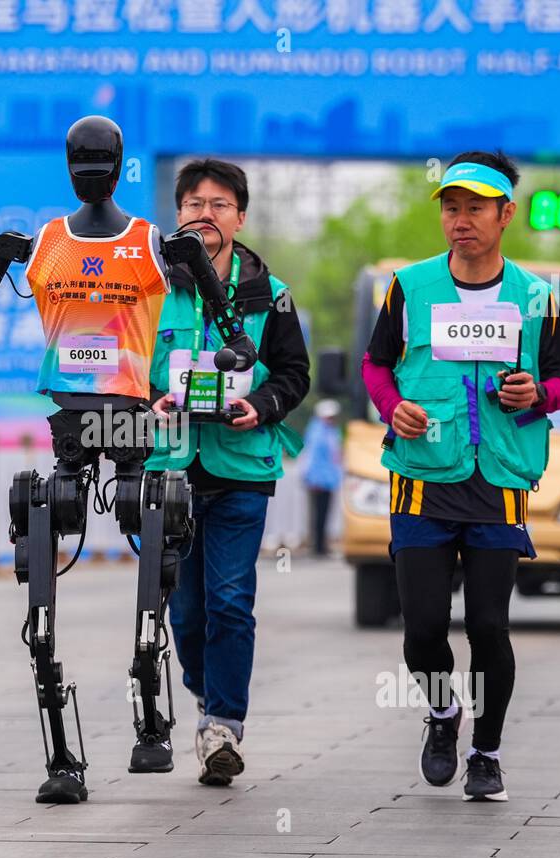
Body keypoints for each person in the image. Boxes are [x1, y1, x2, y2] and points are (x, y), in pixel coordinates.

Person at [360, 151, 560, 802]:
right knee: (423, 627)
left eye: (475, 208)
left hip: (499, 481)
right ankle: (443, 713)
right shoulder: (410, 286)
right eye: (451, 208)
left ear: (506, 214)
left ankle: (487, 751)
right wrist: (388, 405)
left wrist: (536, 394)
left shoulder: (537, 298)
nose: (461, 220)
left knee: (488, 625)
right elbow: (376, 365)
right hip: (423, 476)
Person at [147, 158, 310, 786]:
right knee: (185, 614)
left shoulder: (273, 295)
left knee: (231, 602)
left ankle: (223, 726)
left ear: (240, 217)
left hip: (242, 466)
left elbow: (295, 374)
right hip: (170, 468)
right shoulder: (152, 287)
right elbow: (128, 367)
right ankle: (205, 692)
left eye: (219, 205)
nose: (204, 215)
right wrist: (148, 403)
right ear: (178, 213)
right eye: (193, 205)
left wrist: (261, 405)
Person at [302, 398, 343, 557]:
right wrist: (312, 478)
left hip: (329, 480)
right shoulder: (317, 432)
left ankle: (321, 544)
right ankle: (317, 546)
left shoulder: (332, 431)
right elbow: (311, 457)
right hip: (318, 480)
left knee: (325, 512)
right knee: (318, 513)